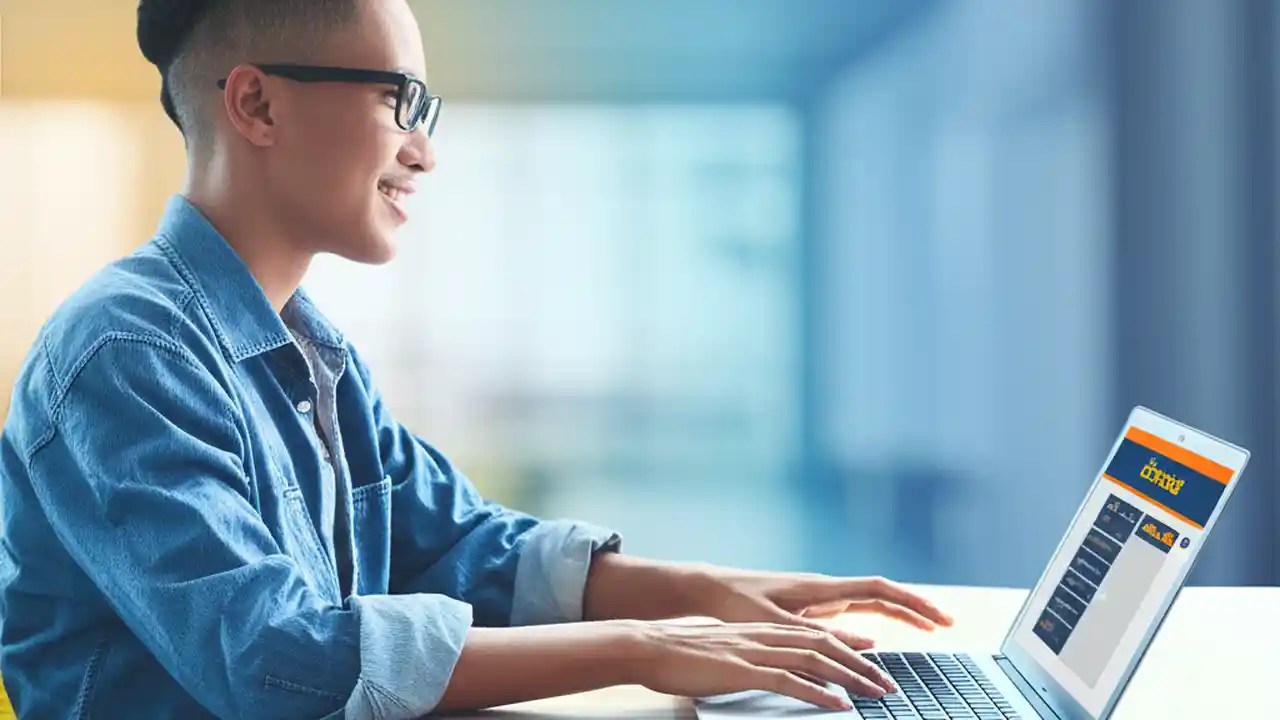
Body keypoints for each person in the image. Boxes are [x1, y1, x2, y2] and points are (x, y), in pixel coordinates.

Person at [0, 1, 953, 717]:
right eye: (398, 99)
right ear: (255, 103)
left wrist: (717, 593)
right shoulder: (126, 353)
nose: (425, 152)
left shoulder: (311, 349)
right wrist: (646, 647)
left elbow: (462, 549)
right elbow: (279, 660)